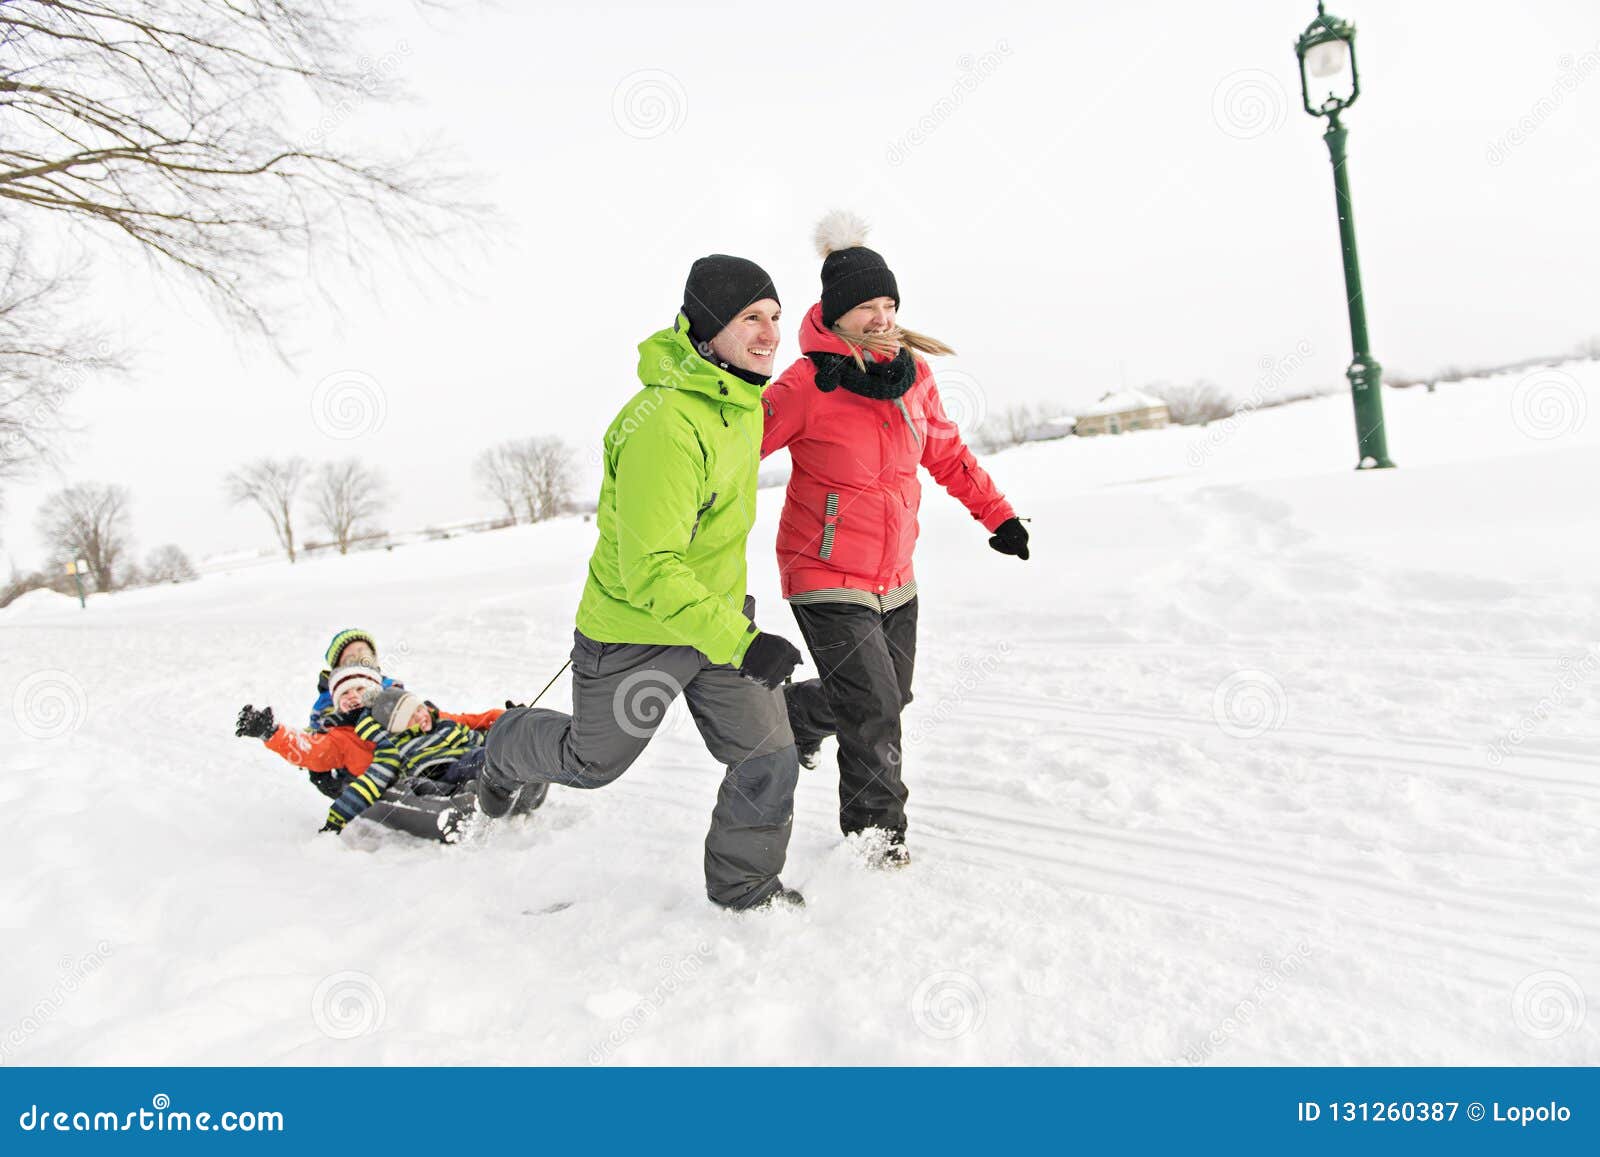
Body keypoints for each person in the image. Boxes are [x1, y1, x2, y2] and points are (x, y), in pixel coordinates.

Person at [477, 254, 806, 911]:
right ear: (709, 330)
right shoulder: (664, 423)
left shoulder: (739, 401)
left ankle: (745, 886)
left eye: (775, 316)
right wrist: (743, 643)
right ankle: (506, 743)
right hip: (637, 631)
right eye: (752, 318)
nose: (771, 332)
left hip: (713, 621)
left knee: (769, 753)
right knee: (590, 763)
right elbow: (652, 568)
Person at [759, 212, 1030, 867]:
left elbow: (946, 453)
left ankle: (800, 715)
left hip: (894, 573)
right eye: (867, 307)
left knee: (886, 695)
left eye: (890, 304)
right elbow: (733, 452)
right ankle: (875, 839)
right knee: (875, 704)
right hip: (821, 567)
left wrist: (998, 516)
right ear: (836, 313)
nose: (882, 317)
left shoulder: (915, 377)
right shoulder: (804, 384)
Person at [319, 686, 534, 840]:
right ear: (399, 727)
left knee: (484, 754)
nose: (421, 716)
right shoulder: (393, 747)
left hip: (471, 762)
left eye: (419, 709)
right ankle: (476, 798)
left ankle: (519, 780)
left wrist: (510, 729)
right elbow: (370, 783)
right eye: (411, 718)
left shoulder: (446, 726)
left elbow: (480, 740)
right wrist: (336, 819)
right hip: (439, 774)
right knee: (478, 761)